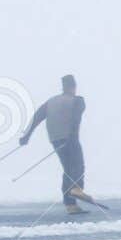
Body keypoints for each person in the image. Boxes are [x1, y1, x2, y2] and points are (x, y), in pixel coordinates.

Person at [20, 74, 90, 214]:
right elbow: (76, 119)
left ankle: (70, 205)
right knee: (78, 165)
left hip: (55, 139)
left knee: (68, 169)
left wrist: (26, 136)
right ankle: (76, 189)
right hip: (70, 138)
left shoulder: (51, 102)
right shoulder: (78, 101)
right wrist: (72, 137)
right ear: (73, 86)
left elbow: (37, 117)